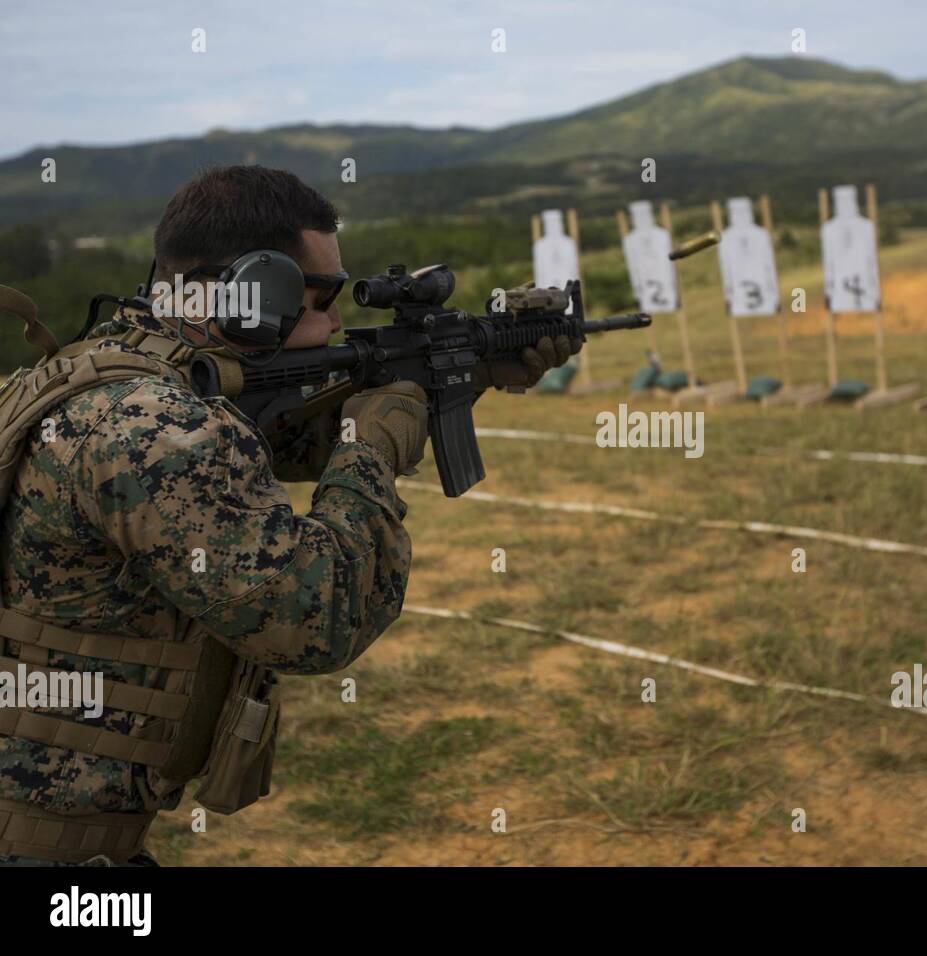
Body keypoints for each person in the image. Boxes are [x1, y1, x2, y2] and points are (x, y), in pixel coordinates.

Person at [0, 165, 571, 865]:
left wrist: (466, 373)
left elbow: (275, 437)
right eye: (320, 297)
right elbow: (318, 614)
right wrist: (374, 447)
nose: (336, 320)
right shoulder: (153, 427)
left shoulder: (107, 367)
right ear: (252, 291)